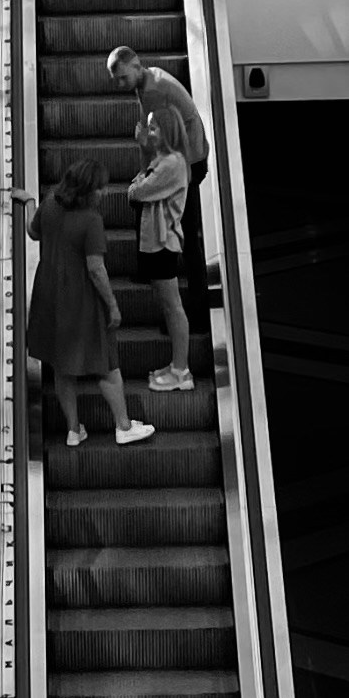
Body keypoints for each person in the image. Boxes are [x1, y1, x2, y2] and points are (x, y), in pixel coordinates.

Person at [25, 154, 153, 448]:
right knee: (107, 365)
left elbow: (33, 232)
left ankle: (73, 430)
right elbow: (95, 269)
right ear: (86, 189)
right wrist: (112, 305)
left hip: (48, 295)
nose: (103, 193)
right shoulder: (90, 220)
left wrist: (30, 203)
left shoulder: (50, 204)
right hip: (81, 299)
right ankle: (123, 426)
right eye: (99, 188)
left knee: (61, 366)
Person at [108, 43, 209, 343]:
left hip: (186, 164)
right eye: (116, 80)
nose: (120, 85)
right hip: (184, 158)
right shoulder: (149, 78)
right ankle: (147, 266)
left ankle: (198, 314)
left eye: (123, 77)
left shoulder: (154, 91)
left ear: (136, 66)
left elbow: (156, 141)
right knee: (146, 204)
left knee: (188, 237)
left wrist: (147, 175)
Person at [128, 107, 196, 392]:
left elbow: (137, 191)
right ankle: (177, 365)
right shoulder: (163, 159)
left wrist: (139, 180)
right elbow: (140, 184)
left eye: (154, 128)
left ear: (168, 131)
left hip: (163, 243)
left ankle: (181, 371)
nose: (149, 132)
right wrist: (144, 153)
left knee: (173, 305)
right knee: (168, 306)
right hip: (155, 241)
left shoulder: (172, 163)